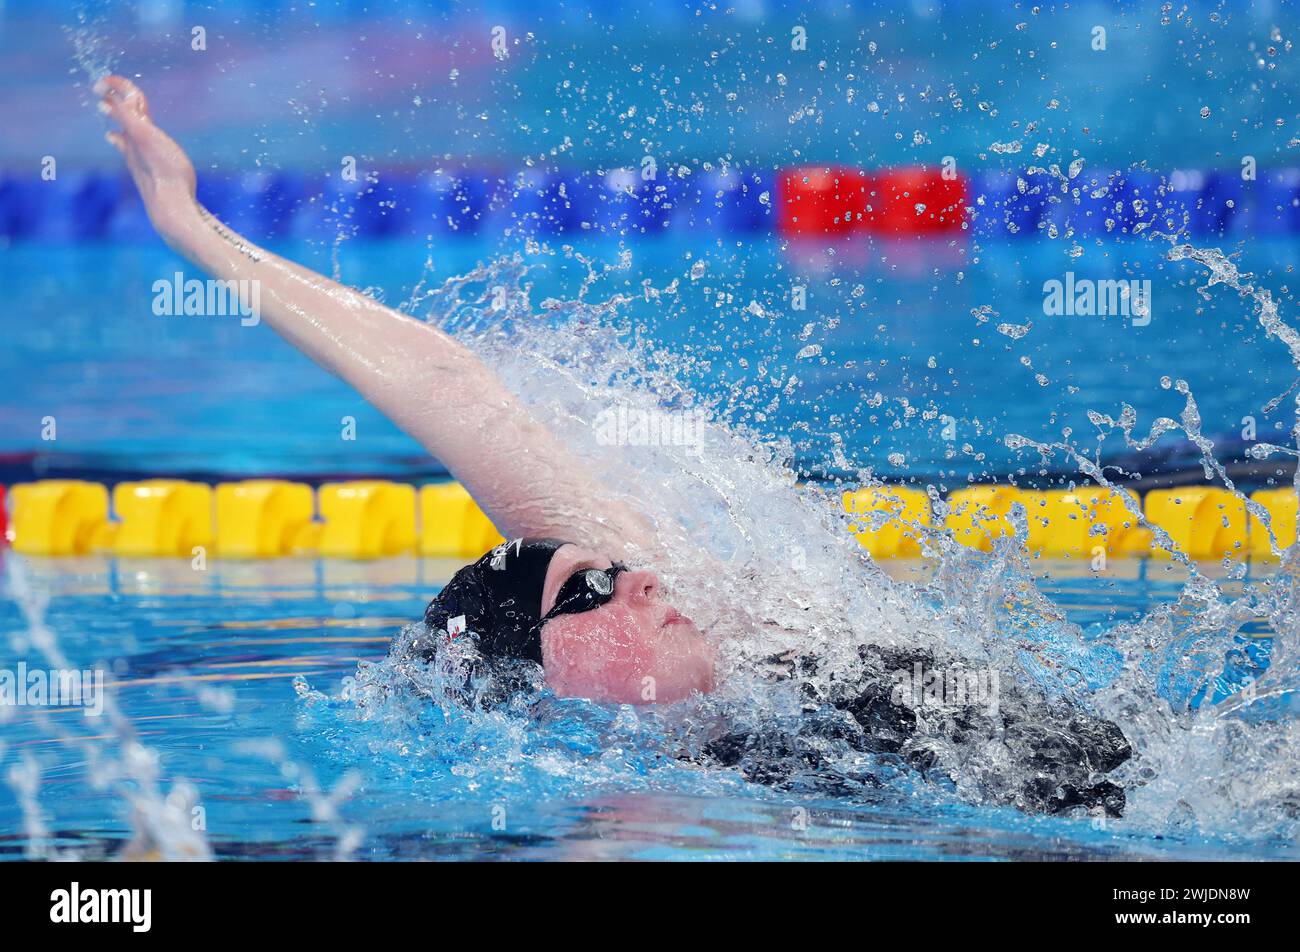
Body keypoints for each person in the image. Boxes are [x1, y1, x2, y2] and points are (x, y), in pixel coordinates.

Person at [97, 76, 1131, 816]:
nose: (636, 579)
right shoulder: (619, 799)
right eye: (590, 592)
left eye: (614, 569)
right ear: (537, 678)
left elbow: (445, 383)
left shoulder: (742, 633)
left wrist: (190, 227)